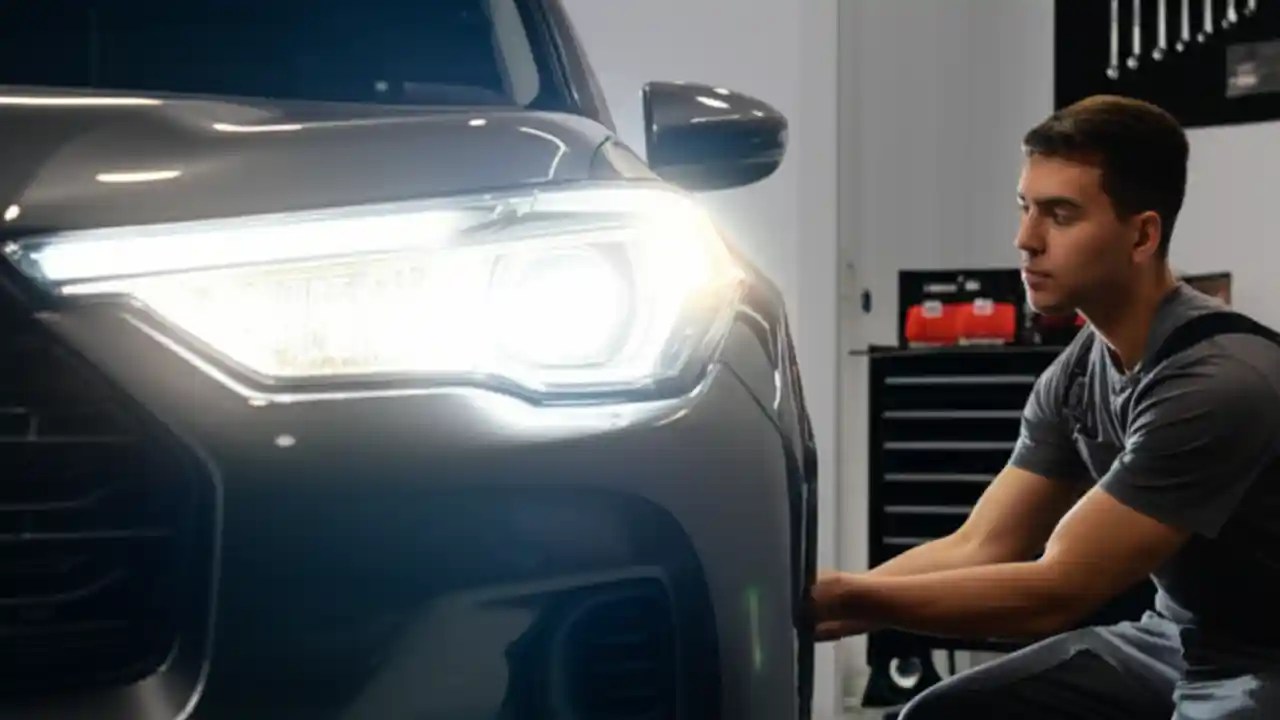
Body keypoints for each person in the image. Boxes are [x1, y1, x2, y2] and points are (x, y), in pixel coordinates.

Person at [813, 94, 1280, 718]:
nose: (1025, 240)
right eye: (1025, 208)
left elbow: (1059, 589)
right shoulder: (1079, 371)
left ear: (1142, 234)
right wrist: (830, 599)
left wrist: (849, 599)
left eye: (1060, 215)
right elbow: (982, 543)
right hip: (1171, 642)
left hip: (1264, 659)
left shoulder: (1221, 382)